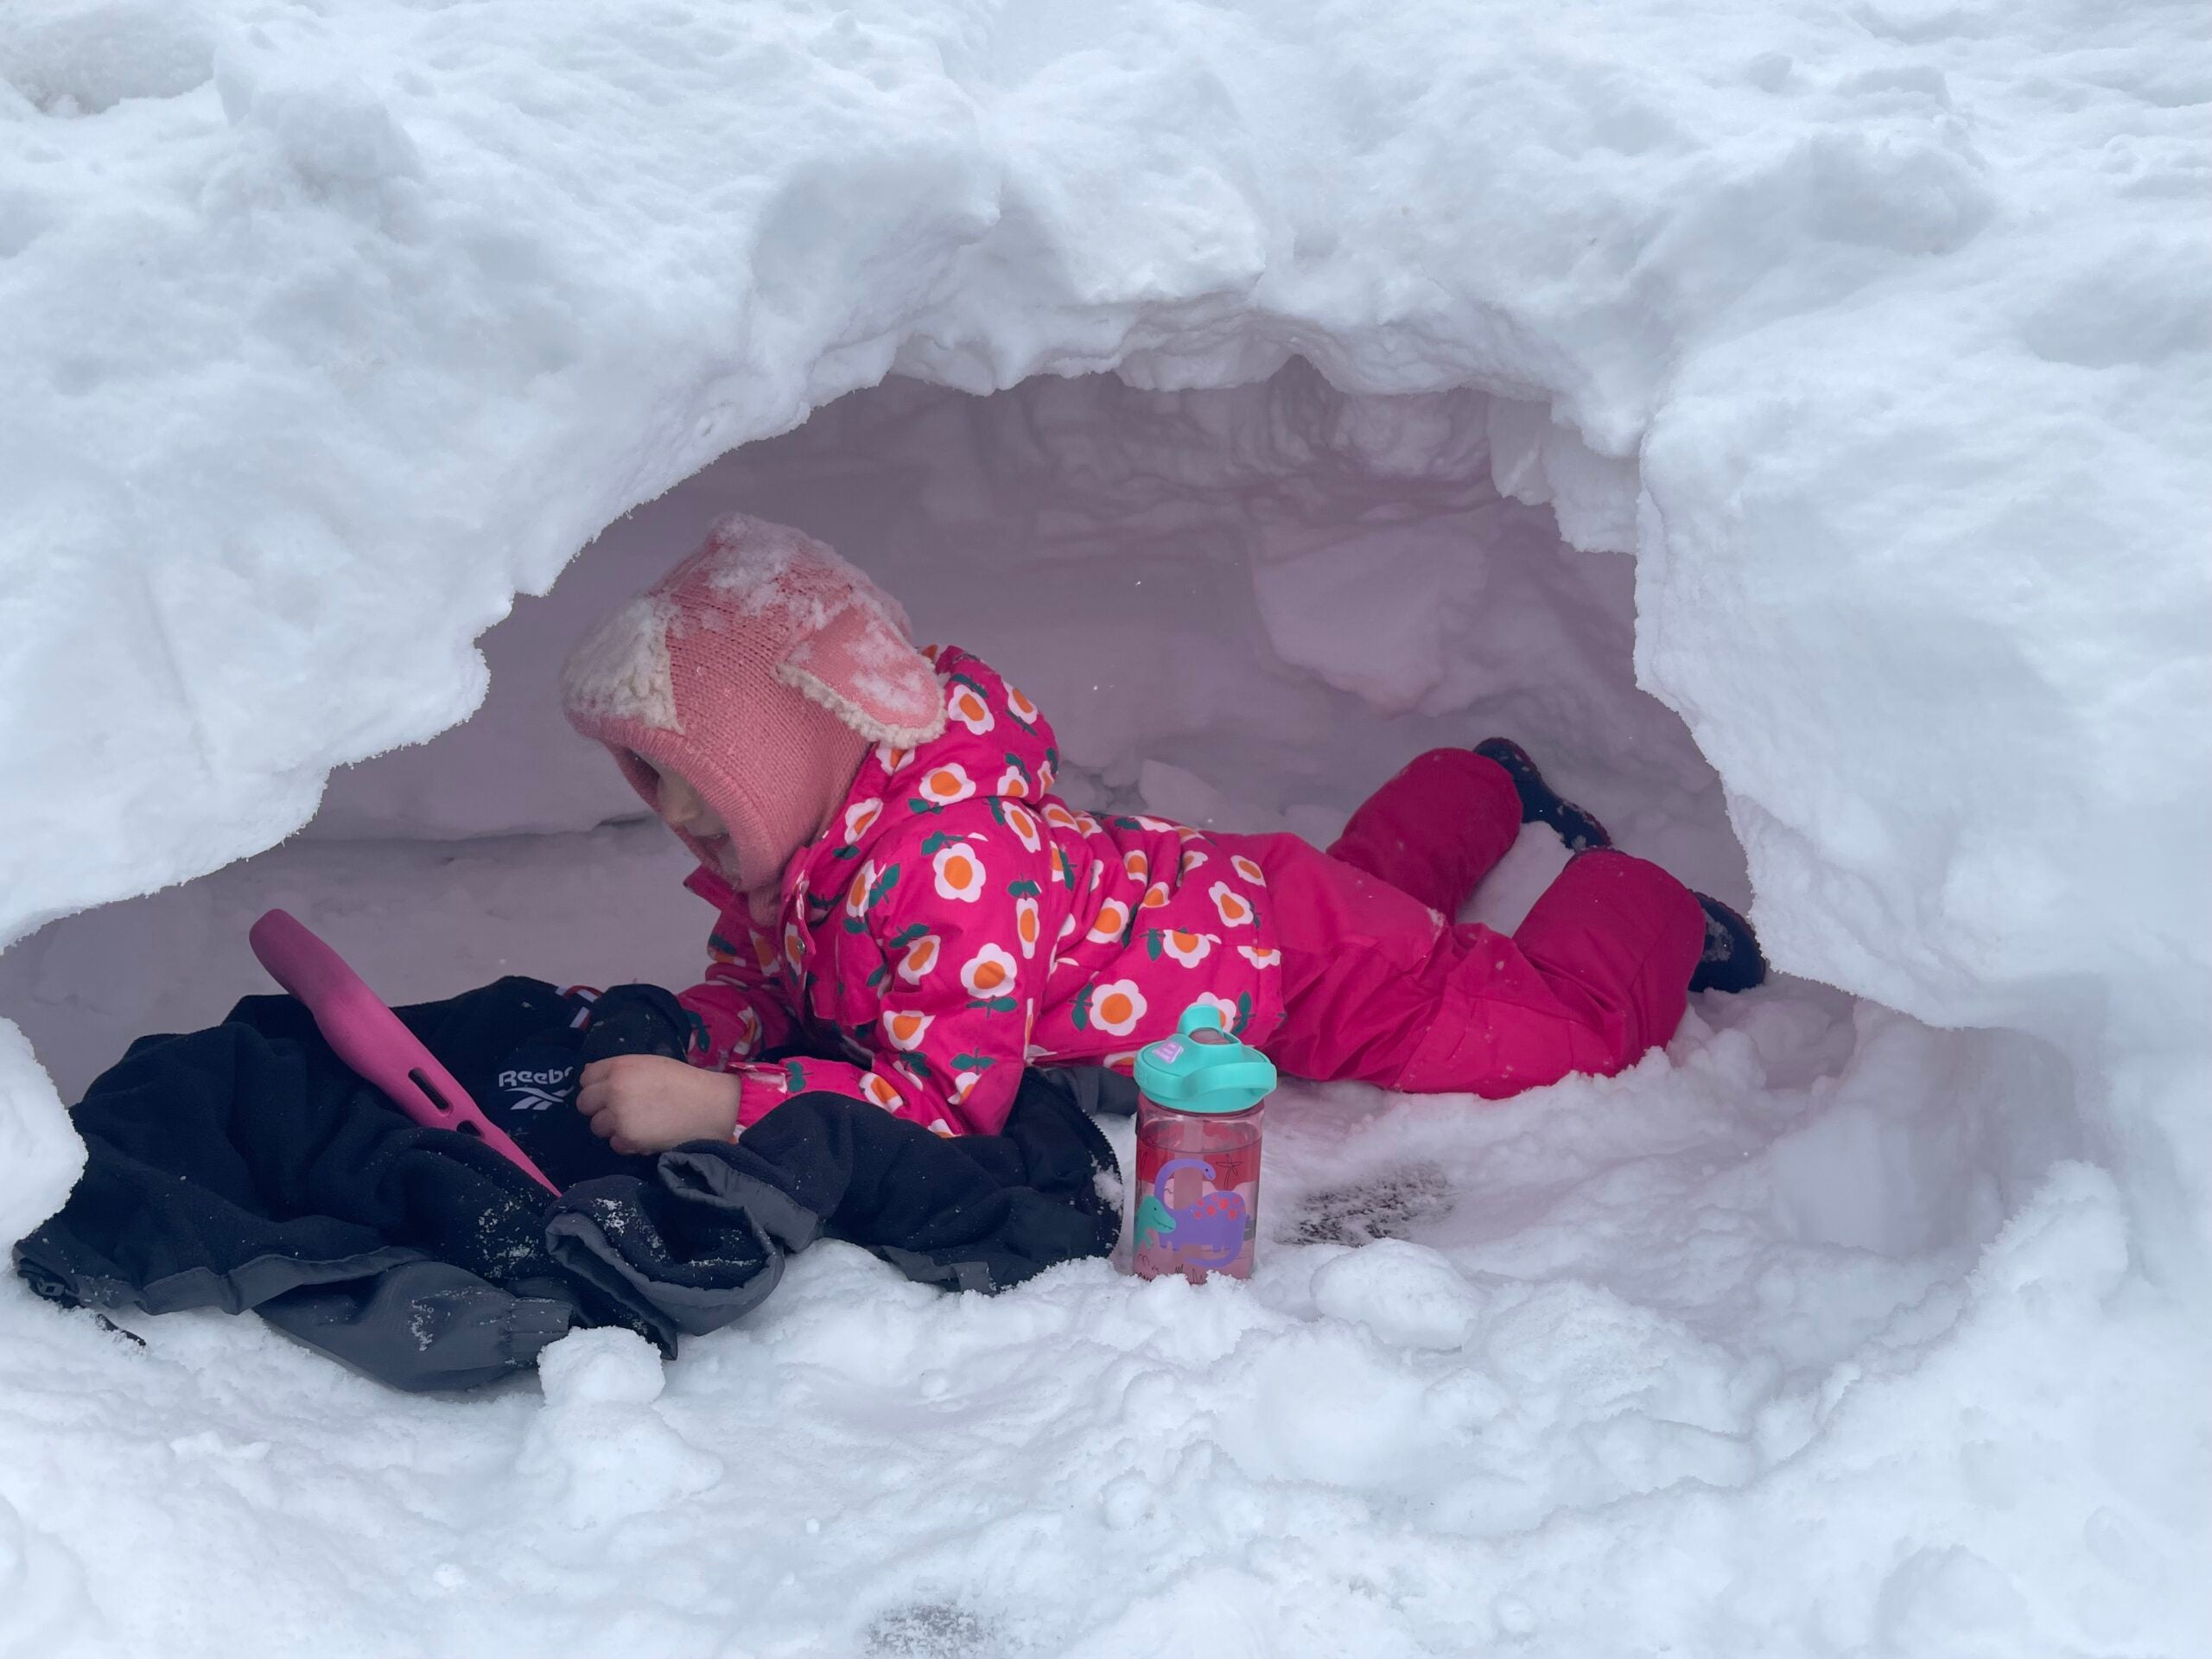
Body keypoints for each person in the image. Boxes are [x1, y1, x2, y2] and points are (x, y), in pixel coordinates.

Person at [562, 515, 1764, 1154]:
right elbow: (777, 988)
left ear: (802, 753)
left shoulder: (937, 872)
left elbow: (942, 1103)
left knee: (1551, 1032)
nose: (674, 818)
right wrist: (692, 1035)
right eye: (650, 778)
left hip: (1292, 979)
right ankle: (1480, 788)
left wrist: (726, 1106)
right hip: (1234, 906)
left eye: (699, 784)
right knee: (1358, 891)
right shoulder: (822, 846)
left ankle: (1633, 898)